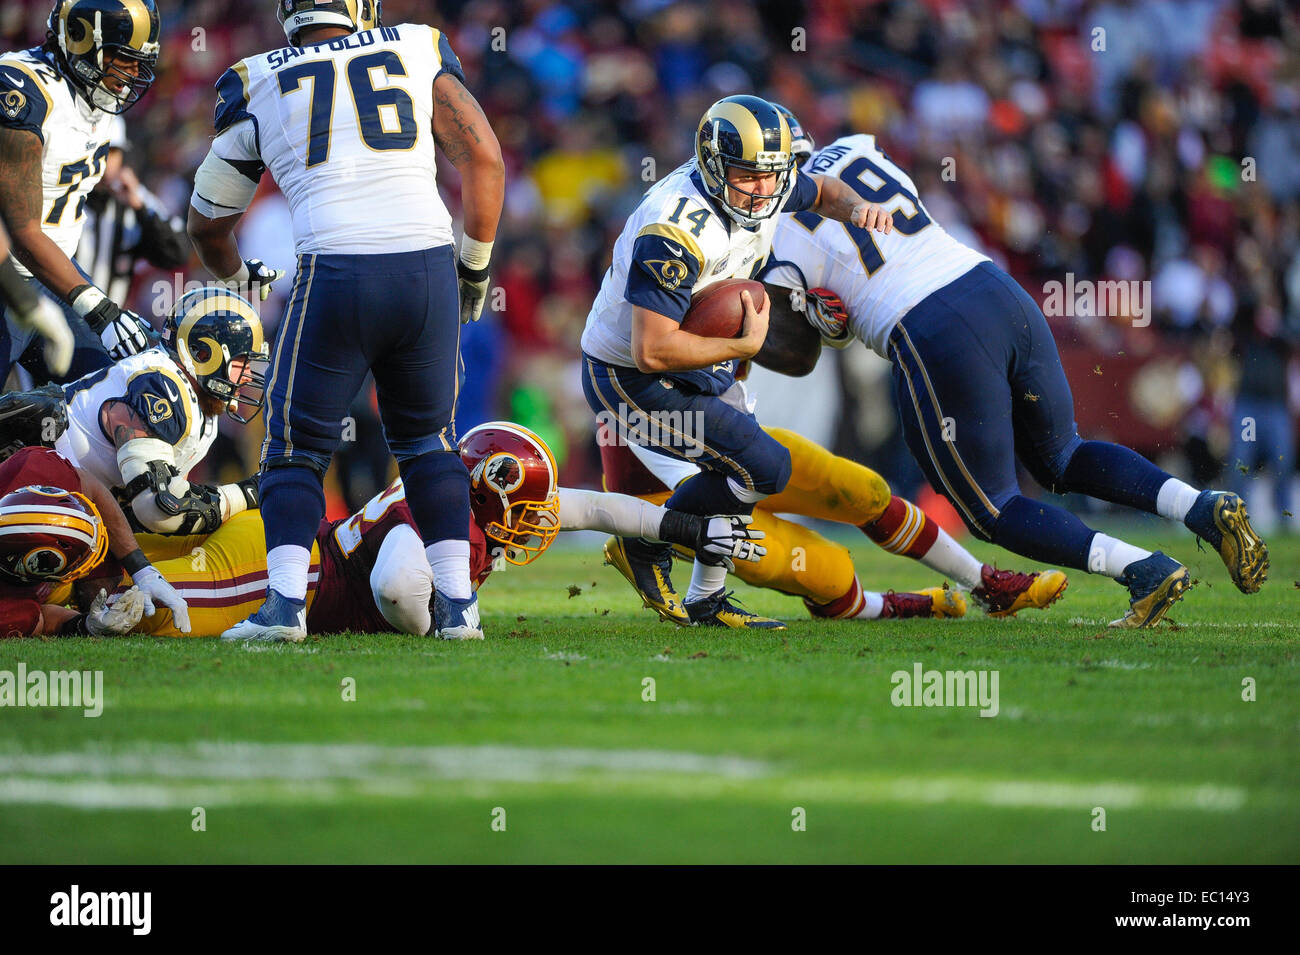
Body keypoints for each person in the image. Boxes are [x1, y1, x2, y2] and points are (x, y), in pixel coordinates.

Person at [763, 104, 1268, 628]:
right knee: (1061, 454)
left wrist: (824, 326)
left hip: (931, 323)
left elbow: (801, 354)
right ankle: (1201, 506)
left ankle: (1143, 568)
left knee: (992, 509)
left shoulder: (773, 232)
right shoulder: (860, 147)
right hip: (998, 288)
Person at [188, 1, 505, 643]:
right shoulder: (417, 45)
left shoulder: (256, 78)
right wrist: (472, 270)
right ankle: (458, 609)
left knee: (293, 446)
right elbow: (485, 161)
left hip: (336, 270)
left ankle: (284, 608)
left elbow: (205, 221)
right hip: (425, 263)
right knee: (428, 441)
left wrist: (237, 282)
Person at [579, 94, 895, 630]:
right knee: (764, 466)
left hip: (691, 361)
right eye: (749, 175)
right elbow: (651, 350)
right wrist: (740, 348)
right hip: (629, 379)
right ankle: (647, 538)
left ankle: (707, 597)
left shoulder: (763, 184)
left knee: (742, 468)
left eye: (772, 175)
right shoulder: (674, 230)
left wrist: (857, 210)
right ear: (712, 162)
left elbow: (824, 191)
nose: (763, 189)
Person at [111, 422, 764, 639]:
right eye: (528, 511)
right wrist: (448, 622)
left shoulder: (469, 497)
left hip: (282, 544)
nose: (539, 522)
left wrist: (687, 529)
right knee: (141, 610)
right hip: (289, 576)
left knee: (141, 570)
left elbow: (597, 508)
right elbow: (397, 586)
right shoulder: (449, 516)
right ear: (487, 492)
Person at [4, 286, 266, 536]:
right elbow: (159, 510)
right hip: (26, 481)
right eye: (241, 361)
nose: (246, 376)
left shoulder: (201, 409)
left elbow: (171, 498)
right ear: (202, 353)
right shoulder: (164, 387)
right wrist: (247, 494)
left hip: (73, 504)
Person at [0, 0, 161, 386]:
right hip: (9, 275)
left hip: (53, 275)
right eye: (123, 58)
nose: (133, 73)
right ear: (80, 41)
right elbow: (22, 232)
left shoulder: (93, 93)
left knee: (126, 389)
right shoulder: (25, 91)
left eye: (141, 61)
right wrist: (99, 308)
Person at [0, 444, 189, 636]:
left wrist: (141, 568)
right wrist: (87, 625)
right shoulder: (7, 609)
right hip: (17, 589)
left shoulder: (33, 469)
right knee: (112, 597)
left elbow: (89, 484)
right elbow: (44, 620)